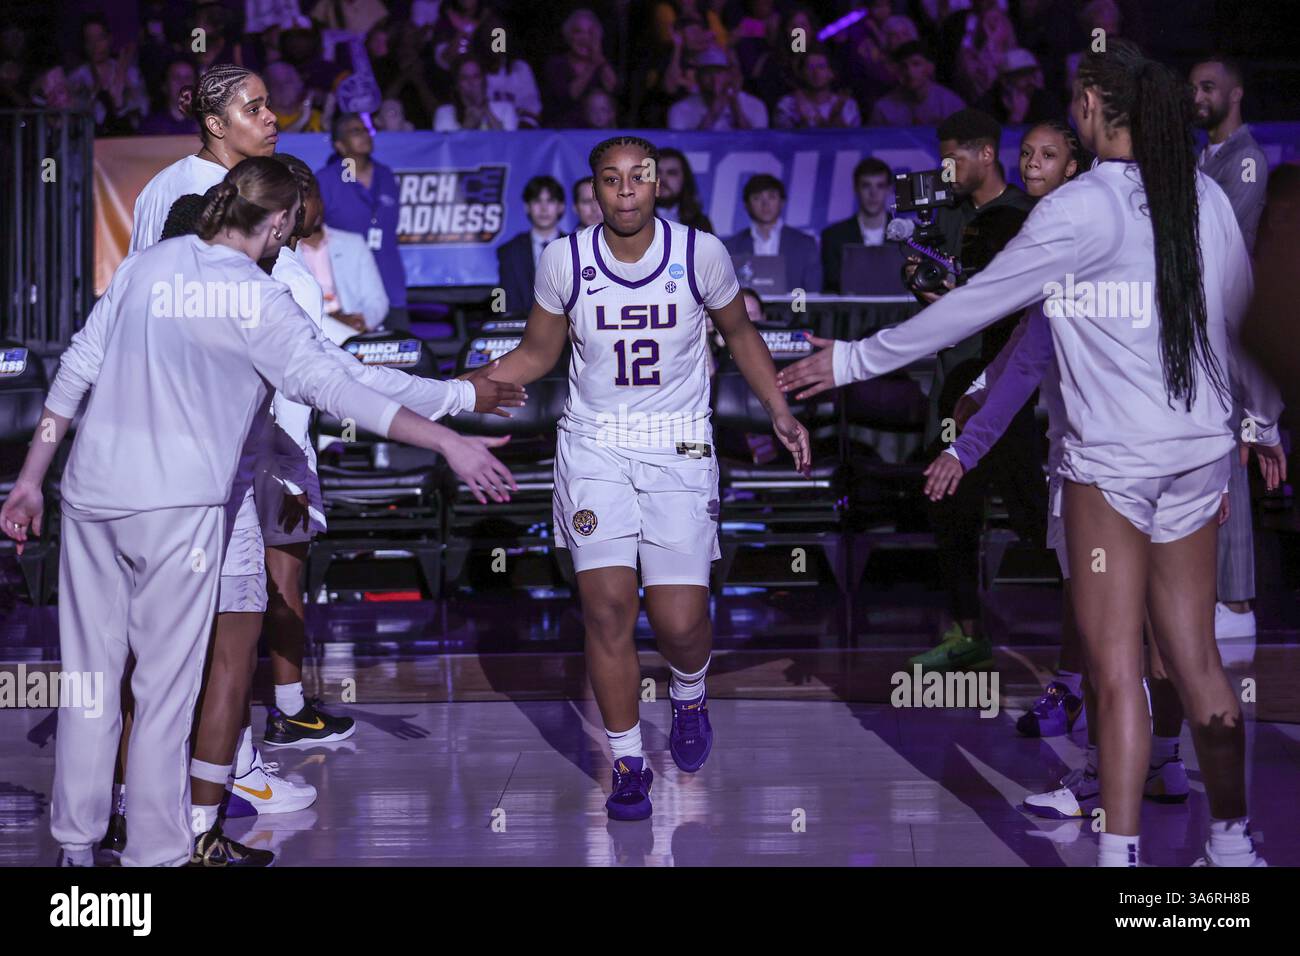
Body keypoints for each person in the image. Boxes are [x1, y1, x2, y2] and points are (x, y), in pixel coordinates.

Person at [776, 41, 1285, 867]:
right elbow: (1240, 323)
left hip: (1113, 466)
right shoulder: (1202, 196)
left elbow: (974, 304)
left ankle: (1118, 860)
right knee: (1196, 661)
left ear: (1089, 106)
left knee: (1115, 671)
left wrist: (850, 361)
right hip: (1198, 455)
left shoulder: (1077, 209)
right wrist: (1258, 427)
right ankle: (1232, 850)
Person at [0, 156, 520, 868]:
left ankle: (75, 856)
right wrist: (450, 429)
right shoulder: (259, 298)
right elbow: (347, 388)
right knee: (162, 694)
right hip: (175, 512)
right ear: (277, 222)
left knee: (91, 688)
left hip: (88, 500)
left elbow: (73, 374)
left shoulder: (146, 267)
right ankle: (156, 858)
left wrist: (30, 477)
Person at [465, 135, 810, 822]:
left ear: (658, 185)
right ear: (592, 190)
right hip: (595, 448)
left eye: (638, 179)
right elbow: (537, 355)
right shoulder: (563, 258)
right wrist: (460, 391)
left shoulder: (699, 253)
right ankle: (626, 762)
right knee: (607, 608)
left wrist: (779, 410)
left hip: (678, 446)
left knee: (680, 622)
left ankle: (689, 692)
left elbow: (741, 334)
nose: (625, 192)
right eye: (610, 180)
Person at [1191, 54, 1271, 645]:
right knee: (1216, 458)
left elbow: (1223, 245)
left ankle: (1238, 603)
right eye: (1193, 87)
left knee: (1235, 454)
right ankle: (1219, 595)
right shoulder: (1207, 156)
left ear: (1236, 94)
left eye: (1209, 87)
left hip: (1231, 322)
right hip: (1206, 323)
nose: (1198, 95)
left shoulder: (1245, 162)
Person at [317, 113, 409, 330]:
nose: (365, 135)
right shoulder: (326, 180)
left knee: (401, 354)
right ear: (339, 144)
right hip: (350, 287)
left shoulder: (385, 175)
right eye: (355, 131)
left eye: (366, 130)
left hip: (390, 279)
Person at [724, 173, 821, 293]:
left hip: (794, 310)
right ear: (746, 205)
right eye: (757, 198)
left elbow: (813, 295)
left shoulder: (805, 244)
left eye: (772, 197)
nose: (765, 204)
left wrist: (798, 310)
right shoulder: (731, 247)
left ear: (782, 202)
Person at [496, 175, 565, 318]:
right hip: (521, 331)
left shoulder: (575, 247)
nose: (544, 208)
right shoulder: (509, 251)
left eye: (550, 201)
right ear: (527, 207)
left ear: (560, 207)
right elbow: (501, 296)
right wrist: (498, 316)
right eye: (537, 201)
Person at [820, 157, 893, 294]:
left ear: (889, 190)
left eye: (880, 186)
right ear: (855, 189)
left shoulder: (908, 235)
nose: (873, 194)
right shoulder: (833, 237)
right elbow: (831, 288)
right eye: (866, 186)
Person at [541, 9, 619, 128]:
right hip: (563, 135)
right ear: (568, 36)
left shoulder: (601, 64)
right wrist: (592, 65)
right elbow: (568, 96)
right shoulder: (556, 64)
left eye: (590, 33)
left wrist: (598, 56)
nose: (584, 38)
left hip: (597, 136)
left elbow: (614, 88)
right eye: (578, 32)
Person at [668, 45, 767, 131]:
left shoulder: (755, 105)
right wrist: (712, 114)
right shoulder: (680, 110)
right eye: (708, 73)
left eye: (719, 72)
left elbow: (758, 146)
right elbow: (683, 148)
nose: (714, 79)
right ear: (698, 77)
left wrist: (737, 111)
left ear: (730, 75)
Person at [868, 41, 965, 127]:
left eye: (916, 64)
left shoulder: (951, 105)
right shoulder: (883, 109)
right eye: (903, 66)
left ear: (930, 68)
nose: (909, 71)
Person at [773, 44, 861, 129]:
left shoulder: (848, 106)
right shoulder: (787, 105)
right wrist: (802, 121)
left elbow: (853, 141)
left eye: (821, 66)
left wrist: (836, 118)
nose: (816, 72)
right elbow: (784, 141)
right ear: (802, 73)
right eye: (810, 67)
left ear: (831, 73)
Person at [434, 54, 518, 131]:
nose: (471, 83)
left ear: (483, 81)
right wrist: (468, 126)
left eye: (476, 77)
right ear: (457, 84)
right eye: (464, 78)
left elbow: (508, 144)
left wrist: (485, 108)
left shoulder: (506, 109)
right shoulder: (445, 113)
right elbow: (447, 146)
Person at [654, 147, 713, 233]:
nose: (662, 179)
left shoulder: (701, 223)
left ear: (685, 179)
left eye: (671, 173)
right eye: (657, 172)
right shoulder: (635, 219)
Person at [138, 58, 197, 135]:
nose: (182, 83)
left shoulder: (206, 125)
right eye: (176, 77)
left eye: (188, 78)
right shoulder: (150, 127)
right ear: (165, 86)